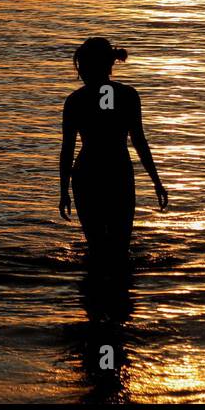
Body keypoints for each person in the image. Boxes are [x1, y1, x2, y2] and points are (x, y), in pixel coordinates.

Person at [59, 38, 168, 266]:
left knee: (97, 248)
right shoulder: (128, 95)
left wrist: (64, 191)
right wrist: (156, 182)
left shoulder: (75, 101)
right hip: (117, 173)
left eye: (82, 66)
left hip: (88, 175)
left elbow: (68, 150)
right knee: (119, 248)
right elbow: (139, 141)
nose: (80, 72)